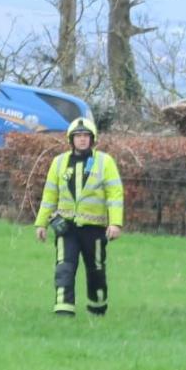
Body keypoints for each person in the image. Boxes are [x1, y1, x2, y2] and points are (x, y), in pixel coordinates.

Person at [34, 117, 124, 316]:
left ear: (92, 139)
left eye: (86, 136)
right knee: (64, 268)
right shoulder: (58, 163)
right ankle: (63, 310)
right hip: (66, 228)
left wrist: (115, 223)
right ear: (71, 139)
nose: (82, 140)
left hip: (95, 228)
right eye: (78, 136)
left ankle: (97, 308)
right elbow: (49, 195)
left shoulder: (105, 162)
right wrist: (41, 223)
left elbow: (115, 194)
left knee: (96, 271)